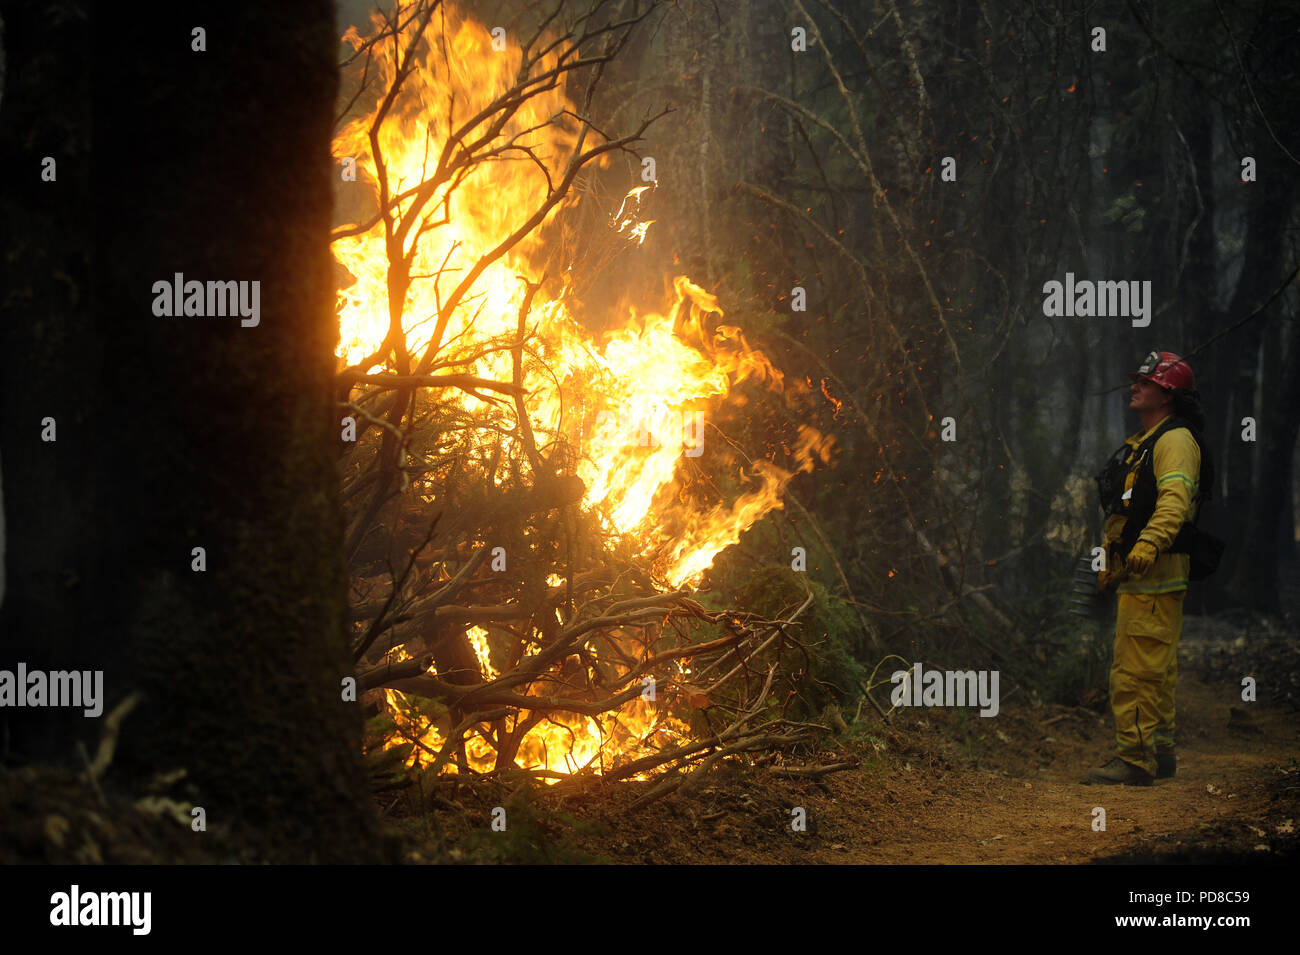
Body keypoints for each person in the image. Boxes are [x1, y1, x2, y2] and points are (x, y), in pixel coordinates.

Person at [1090, 350, 1203, 786]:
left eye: (1145, 382)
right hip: (1141, 577)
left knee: (1135, 671)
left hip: (1152, 575)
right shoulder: (1148, 441)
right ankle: (1161, 750)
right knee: (1157, 667)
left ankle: (1134, 760)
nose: (1134, 386)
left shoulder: (1174, 441)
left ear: (1168, 394)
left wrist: (1148, 545)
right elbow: (1124, 514)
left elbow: (1175, 502)